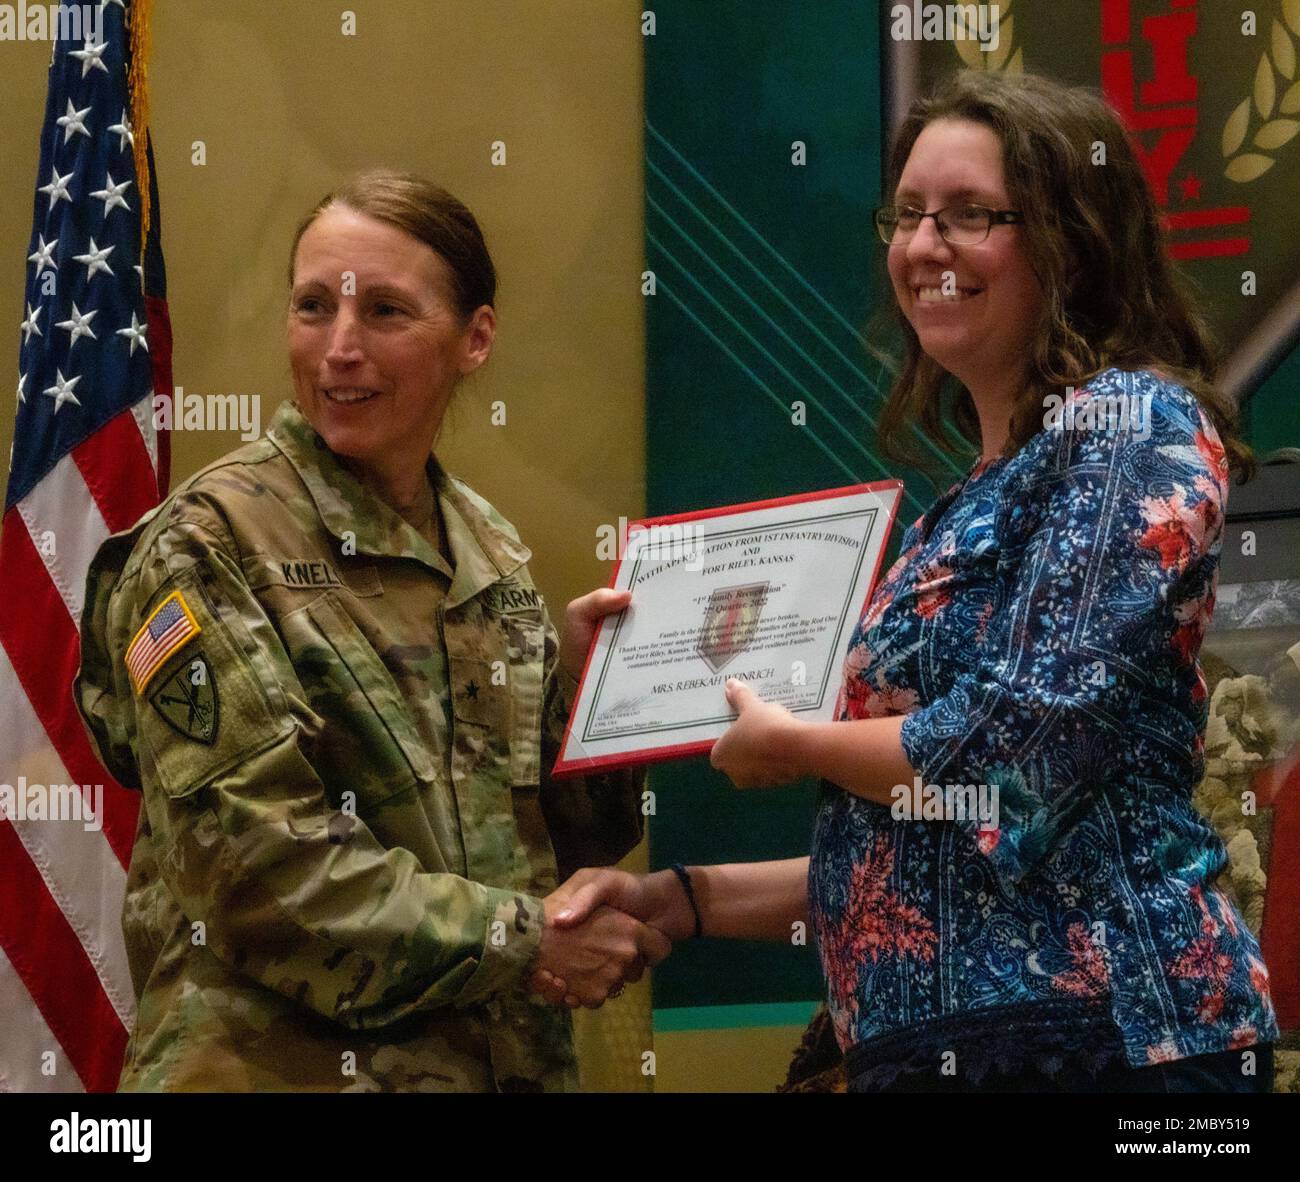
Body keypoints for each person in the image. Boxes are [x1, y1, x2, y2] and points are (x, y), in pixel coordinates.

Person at [535, 70, 1281, 1093]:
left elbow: (1019, 753)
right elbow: (919, 853)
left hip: (1112, 1051)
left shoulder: (1132, 426)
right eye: (910, 214)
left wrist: (796, 745)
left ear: (1073, 238)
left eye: (971, 215)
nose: (924, 246)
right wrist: (685, 899)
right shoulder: (955, 511)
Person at [75, 168, 667, 1093]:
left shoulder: (488, 547)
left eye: (386, 311)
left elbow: (550, 849)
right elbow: (254, 871)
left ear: (476, 338)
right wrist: (528, 942)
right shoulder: (207, 543)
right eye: (313, 307)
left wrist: (597, 712)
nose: (339, 348)